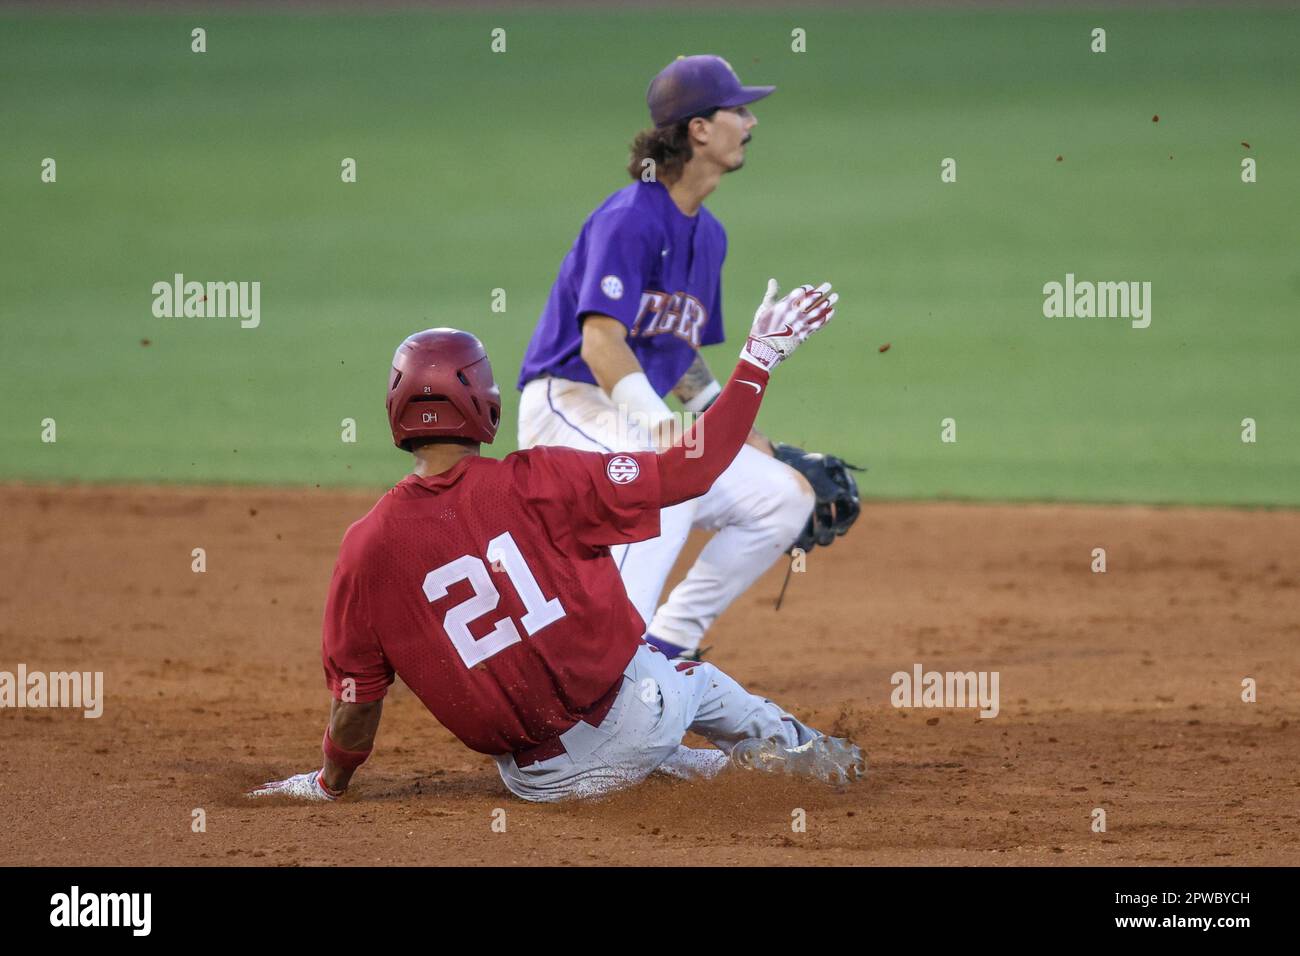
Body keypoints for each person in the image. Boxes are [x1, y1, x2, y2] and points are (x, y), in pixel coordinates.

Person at [249, 281, 863, 803]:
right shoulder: (539, 478)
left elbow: (355, 705)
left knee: (653, 751)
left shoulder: (366, 548)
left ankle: (714, 770)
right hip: (636, 714)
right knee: (688, 678)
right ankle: (814, 755)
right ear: (483, 402)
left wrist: (330, 781)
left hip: (540, 781)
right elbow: (689, 472)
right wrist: (758, 358)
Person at [516, 54, 860, 663]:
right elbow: (601, 343)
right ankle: (606, 660)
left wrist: (758, 443)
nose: (751, 123)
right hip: (566, 404)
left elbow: (682, 358)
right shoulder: (629, 218)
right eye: (740, 110)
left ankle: (667, 642)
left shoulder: (711, 236)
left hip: (634, 418)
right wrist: (666, 432)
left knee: (783, 496)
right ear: (699, 128)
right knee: (664, 473)